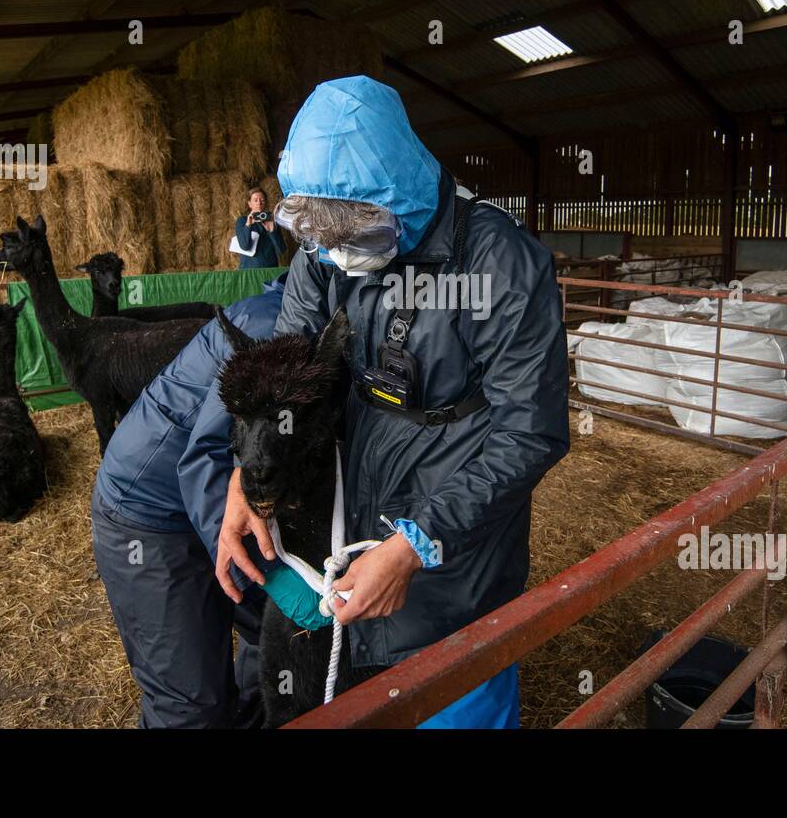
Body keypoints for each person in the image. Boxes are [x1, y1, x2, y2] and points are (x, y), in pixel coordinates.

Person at [214, 75, 570, 728]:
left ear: (393, 192)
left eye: (350, 229)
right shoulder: (325, 251)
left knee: (448, 695)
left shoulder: (496, 264)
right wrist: (248, 480)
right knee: (334, 687)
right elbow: (286, 374)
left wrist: (416, 546)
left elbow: (530, 434)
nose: (331, 254)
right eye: (319, 236)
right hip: (346, 513)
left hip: (452, 536)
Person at [90, 275, 285, 728]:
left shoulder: (317, 311)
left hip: (206, 500)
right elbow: (209, 461)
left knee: (275, 643)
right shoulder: (271, 326)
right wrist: (262, 580)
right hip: (149, 514)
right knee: (190, 703)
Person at [233, 188, 285, 269]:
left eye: (262, 200)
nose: (259, 203)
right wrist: (248, 225)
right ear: (249, 203)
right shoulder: (242, 221)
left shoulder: (271, 220)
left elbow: (281, 250)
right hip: (249, 270)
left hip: (270, 269)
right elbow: (245, 246)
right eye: (255, 200)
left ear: (266, 203)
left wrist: (272, 231)